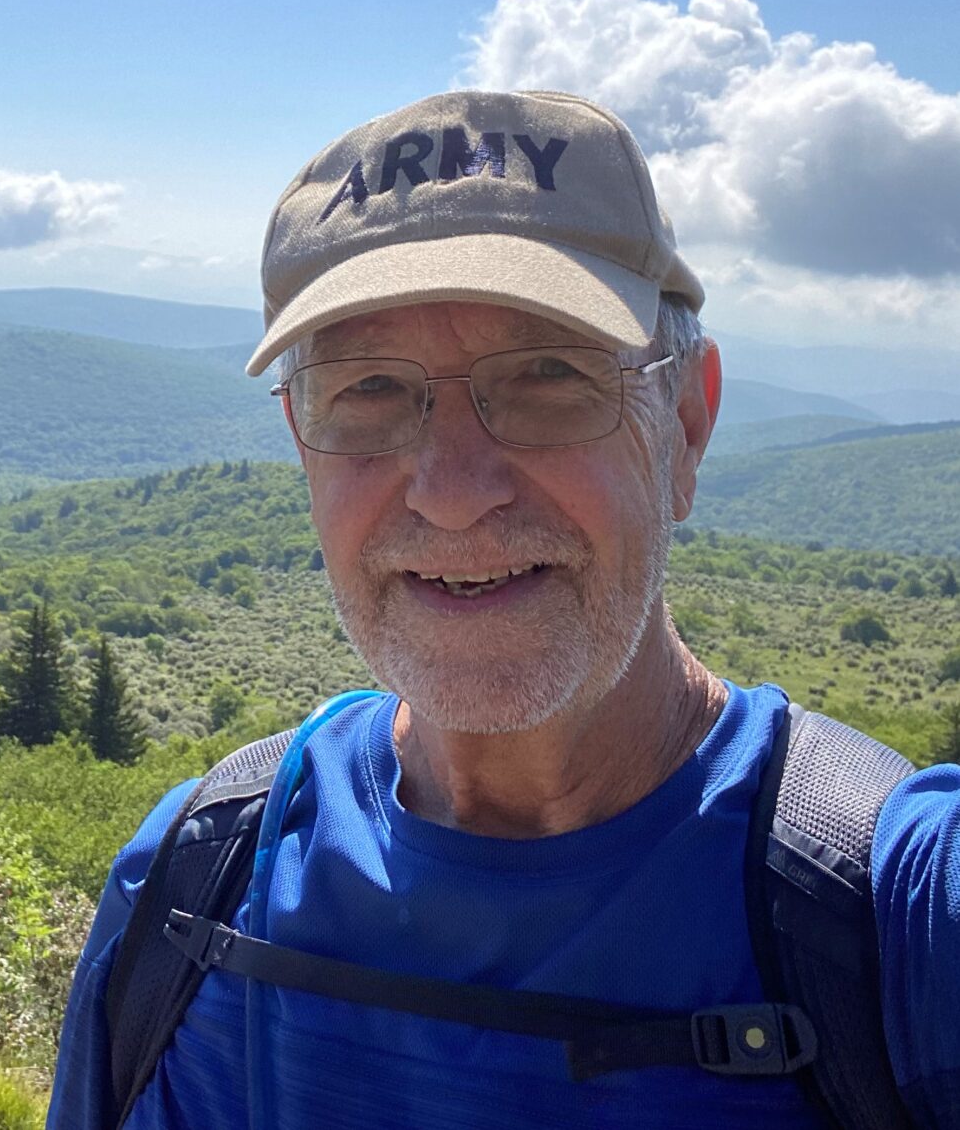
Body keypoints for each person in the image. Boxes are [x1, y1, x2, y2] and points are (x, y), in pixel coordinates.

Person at [47, 90, 960, 1129]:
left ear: (688, 420)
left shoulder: (899, 916)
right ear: (305, 448)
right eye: (371, 389)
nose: (450, 487)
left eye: (546, 375)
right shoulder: (189, 877)